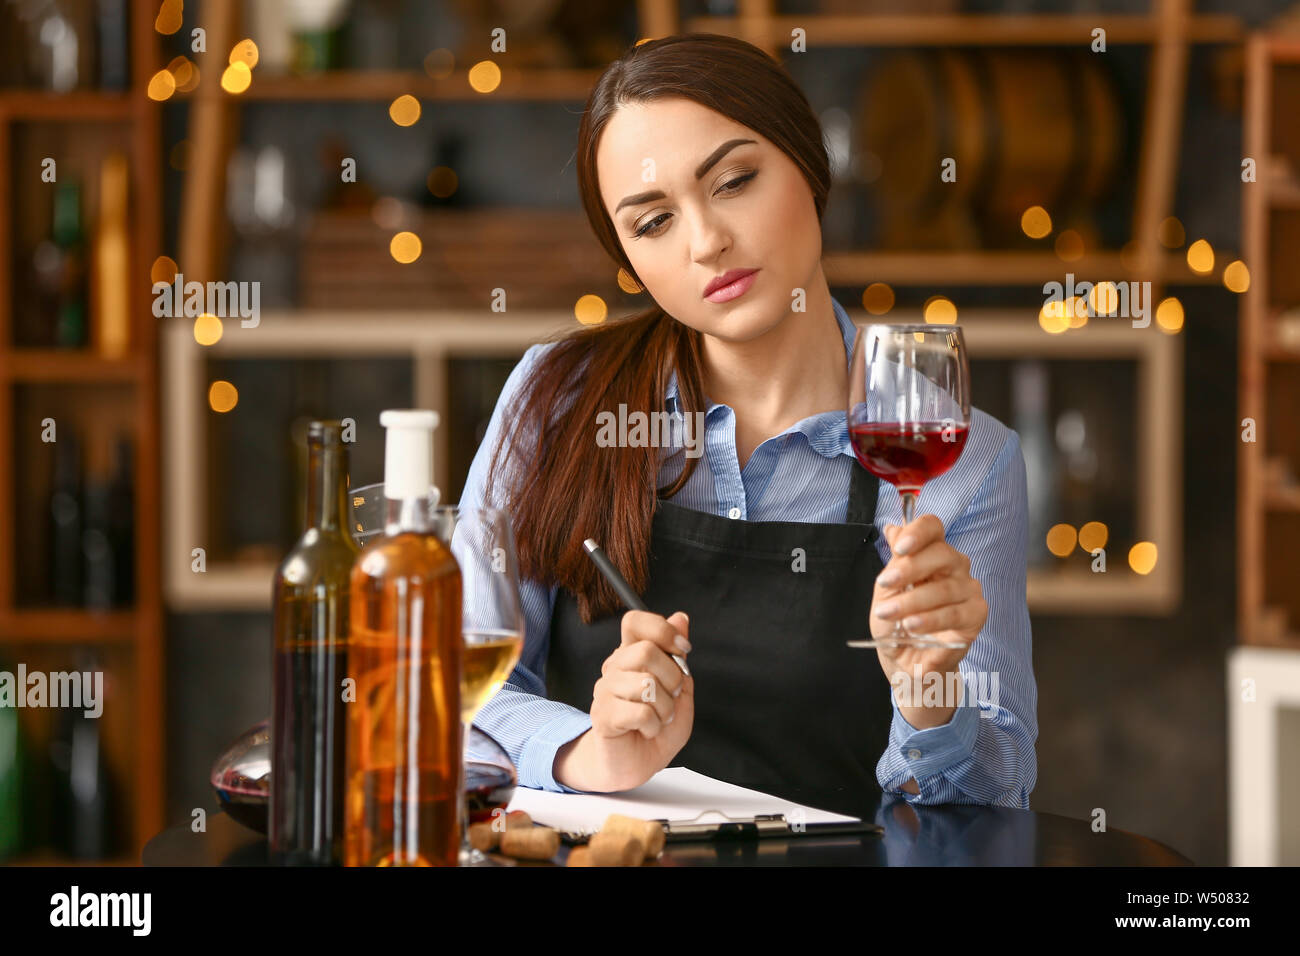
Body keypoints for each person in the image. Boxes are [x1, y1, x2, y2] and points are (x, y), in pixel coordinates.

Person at [460, 34, 1037, 808]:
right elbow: (455, 691)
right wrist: (586, 752)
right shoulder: (556, 399)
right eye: (653, 222)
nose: (707, 242)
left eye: (734, 180)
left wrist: (930, 695)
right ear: (630, 262)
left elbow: (996, 801)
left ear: (810, 162)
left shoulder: (960, 458)